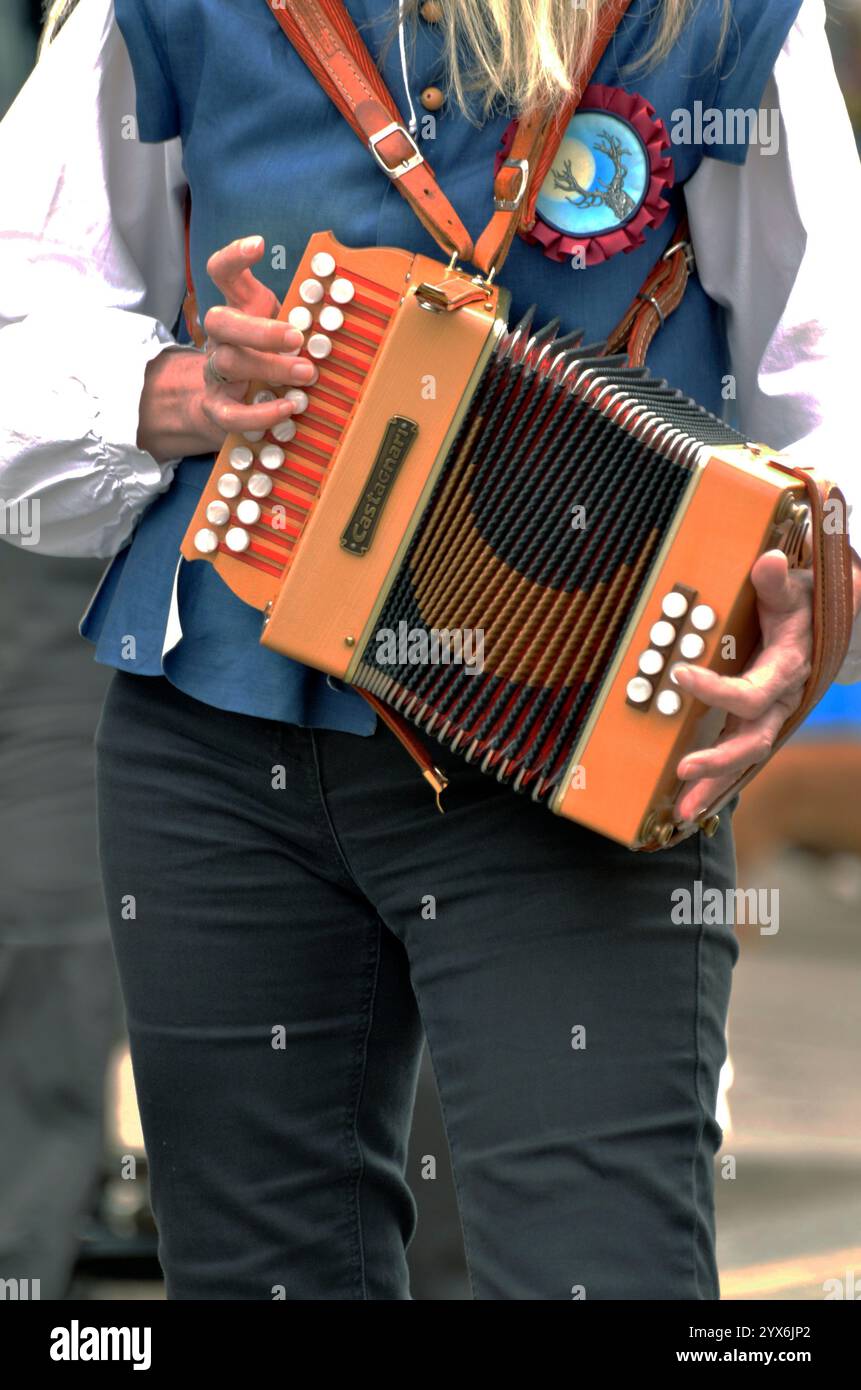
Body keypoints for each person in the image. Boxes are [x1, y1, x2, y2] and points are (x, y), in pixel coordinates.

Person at [1, 0, 859, 1301]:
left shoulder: (720, 19)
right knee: (257, 1277)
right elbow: (26, 302)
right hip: (220, 742)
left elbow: (828, 351)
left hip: (585, 738)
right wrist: (162, 393)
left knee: (596, 1271)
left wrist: (818, 576)